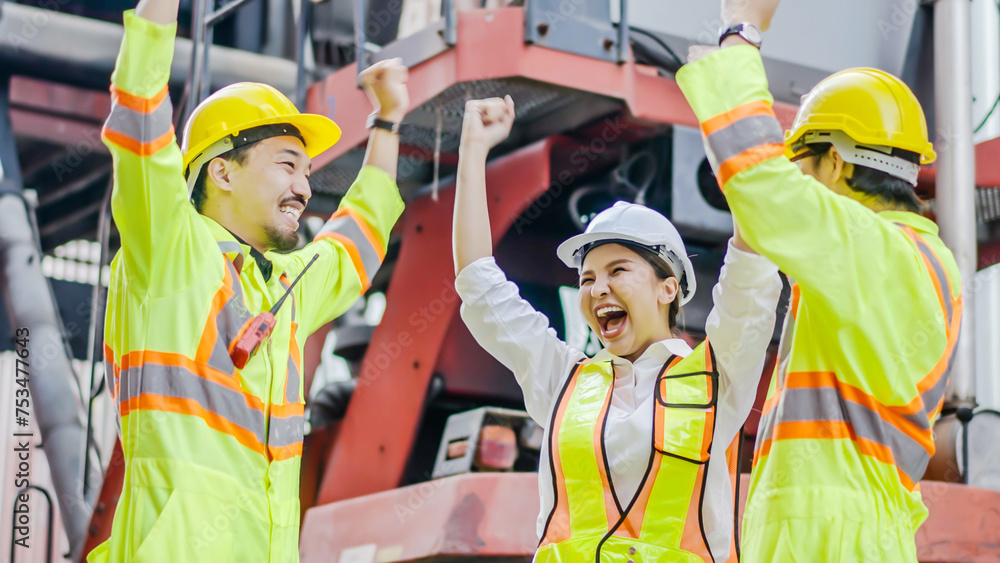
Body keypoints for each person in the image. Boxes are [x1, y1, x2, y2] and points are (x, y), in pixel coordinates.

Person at [90, 0, 408, 559]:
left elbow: (360, 234)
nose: (305, 189)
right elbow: (139, 116)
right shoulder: (169, 248)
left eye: (307, 173)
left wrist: (387, 120)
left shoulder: (285, 285)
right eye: (287, 164)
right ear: (222, 170)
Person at [675, 1, 962, 560]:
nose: (799, 185)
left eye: (802, 169)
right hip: (853, 531)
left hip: (826, 535)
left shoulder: (872, 251)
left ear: (833, 162)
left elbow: (755, 172)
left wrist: (742, 31)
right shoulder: (918, 261)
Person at [453, 96, 782, 561]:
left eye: (618, 271)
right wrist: (473, 149)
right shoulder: (564, 380)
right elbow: (479, 285)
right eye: (587, 278)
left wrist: (739, 152)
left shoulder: (717, 378)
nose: (597, 289)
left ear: (668, 288)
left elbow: (750, 278)